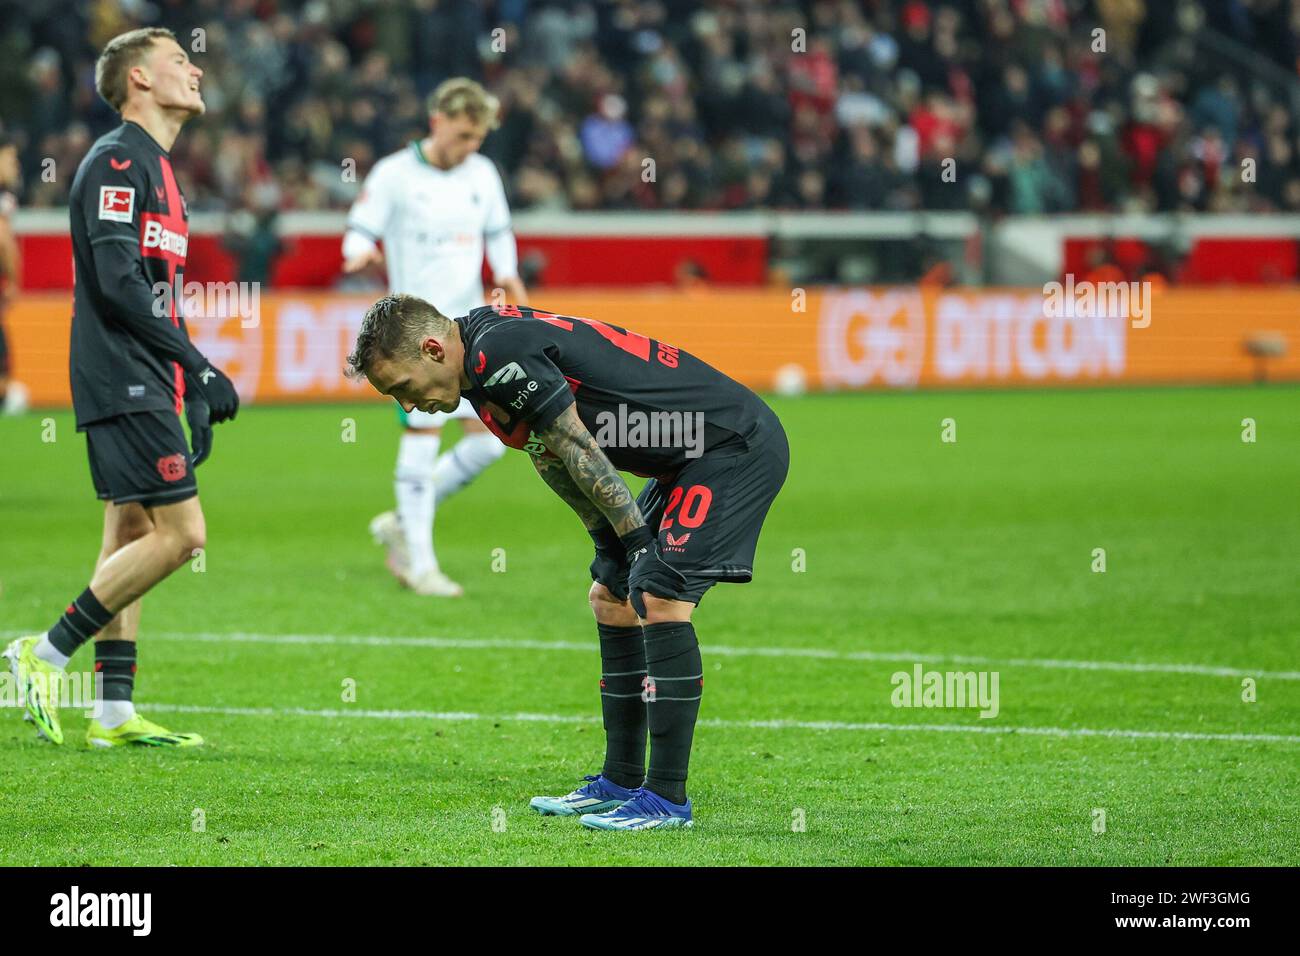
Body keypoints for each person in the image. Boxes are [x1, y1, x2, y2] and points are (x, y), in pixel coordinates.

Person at [345, 295, 789, 830]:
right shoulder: (480, 371)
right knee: (612, 594)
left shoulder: (498, 355)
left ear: (433, 348)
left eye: (403, 389)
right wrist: (608, 542)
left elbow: (578, 443)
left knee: (658, 592)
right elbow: (552, 457)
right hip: (682, 457)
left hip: (730, 445)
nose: (410, 406)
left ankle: (667, 799)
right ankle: (620, 779)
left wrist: (639, 541)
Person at [4, 28, 239, 748]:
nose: (194, 69)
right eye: (177, 61)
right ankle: (39, 655)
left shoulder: (163, 172)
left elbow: (155, 291)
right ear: (138, 78)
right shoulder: (115, 161)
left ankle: (110, 711)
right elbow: (116, 284)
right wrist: (196, 364)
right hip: (120, 373)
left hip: (149, 374)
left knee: (130, 529)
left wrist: (187, 383)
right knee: (184, 535)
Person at [342, 77, 526, 597]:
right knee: (422, 437)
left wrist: (512, 283)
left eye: (477, 139)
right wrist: (357, 251)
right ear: (438, 120)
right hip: (411, 332)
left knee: (491, 443)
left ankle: (405, 519)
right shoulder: (395, 175)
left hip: (465, 329)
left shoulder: (483, 174)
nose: (469, 147)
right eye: (463, 135)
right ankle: (420, 564)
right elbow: (361, 224)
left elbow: (499, 234)